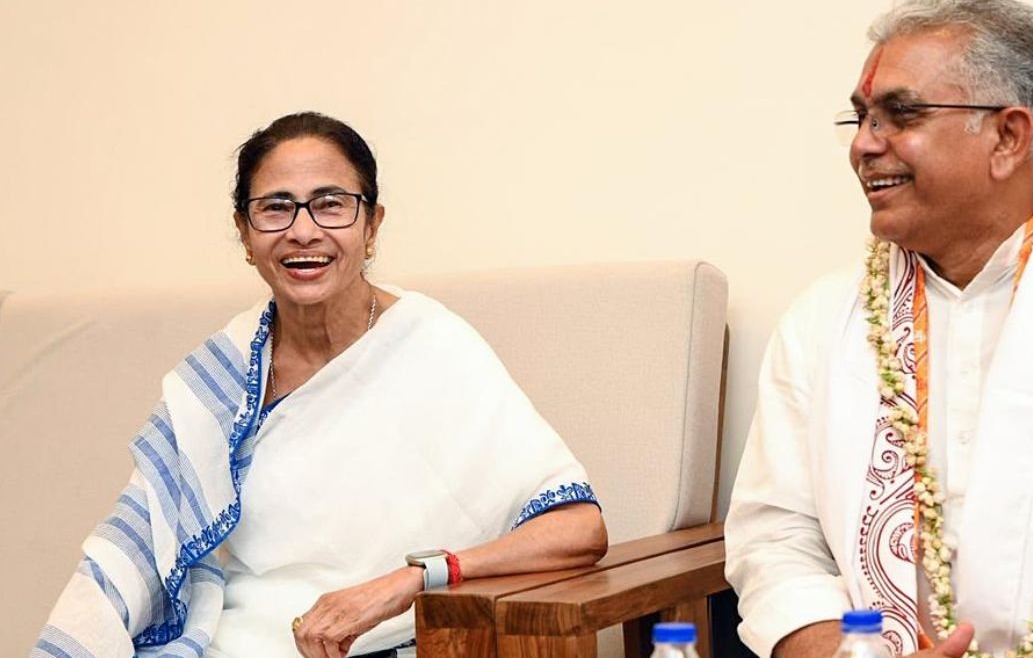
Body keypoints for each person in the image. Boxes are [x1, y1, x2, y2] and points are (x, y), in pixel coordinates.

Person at [725, 0, 1033, 658]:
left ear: (1008, 135)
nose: (863, 145)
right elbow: (774, 540)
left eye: (900, 114)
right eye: (860, 119)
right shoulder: (819, 322)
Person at [32, 112, 608, 658]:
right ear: (244, 230)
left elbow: (579, 529)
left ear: (372, 223)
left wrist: (409, 579)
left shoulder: (431, 346)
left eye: (331, 205)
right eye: (276, 208)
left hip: (378, 642)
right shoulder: (220, 375)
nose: (303, 232)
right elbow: (133, 547)